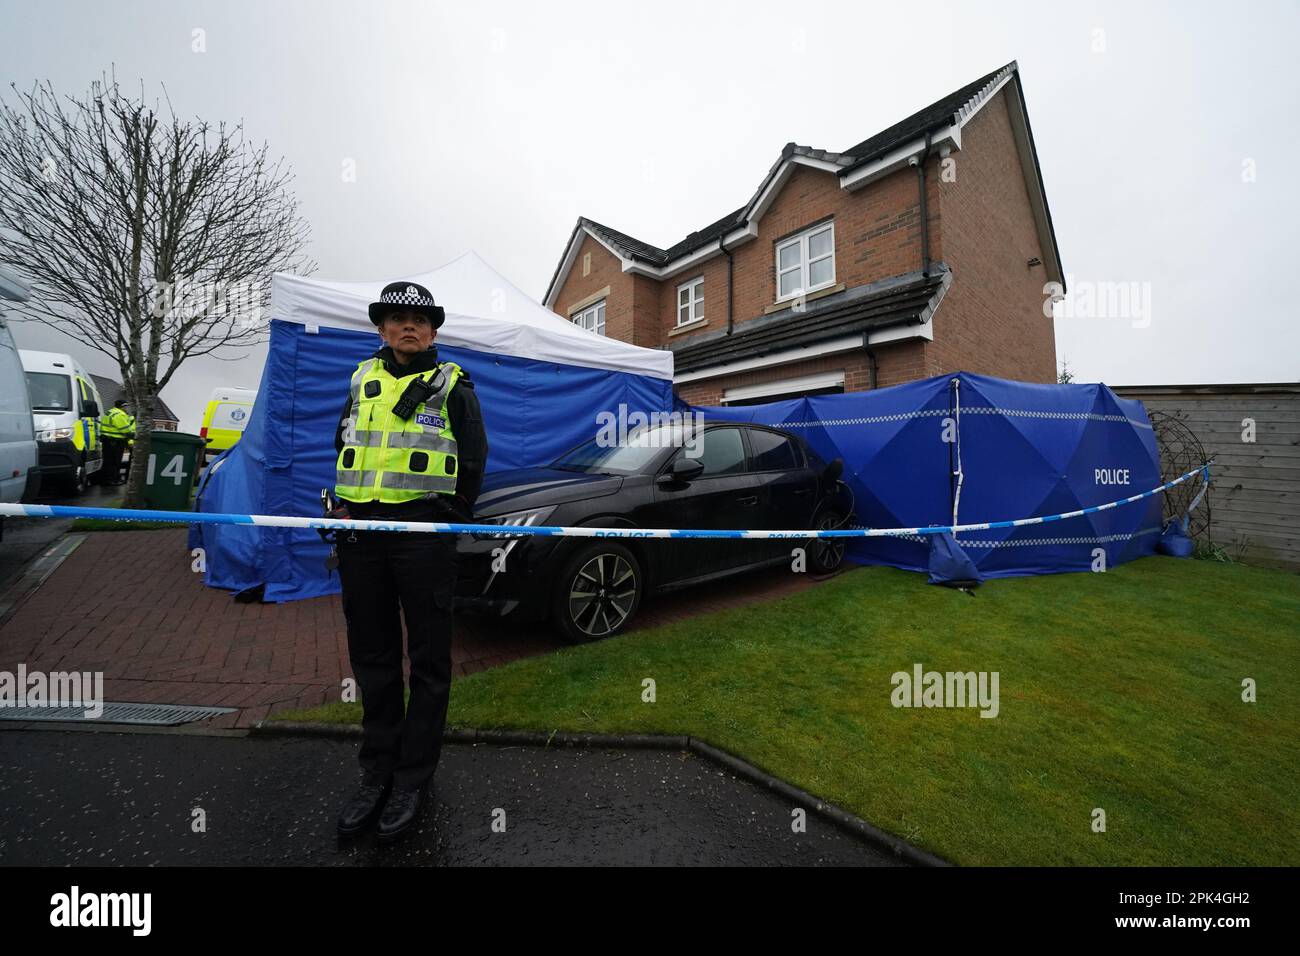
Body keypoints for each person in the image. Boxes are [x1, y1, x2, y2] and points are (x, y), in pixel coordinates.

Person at [331, 280, 488, 842]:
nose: (408, 326)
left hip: (422, 538)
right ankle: (377, 773)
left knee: (427, 662)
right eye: (397, 318)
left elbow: (472, 459)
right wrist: (345, 507)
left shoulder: (453, 386)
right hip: (364, 537)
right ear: (381, 328)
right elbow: (343, 443)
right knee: (373, 659)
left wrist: (451, 519)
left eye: (420, 320)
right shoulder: (361, 379)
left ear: (434, 331)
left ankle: (412, 778)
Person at [96, 399, 134, 486]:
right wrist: (134, 435)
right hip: (115, 442)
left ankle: (105, 480)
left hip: (107, 440)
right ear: (122, 406)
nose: (127, 408)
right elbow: (125, 430)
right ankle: (112, 480)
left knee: (107, 461)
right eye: (126, 406)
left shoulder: (110, 412)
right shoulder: (120, 415)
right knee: (114, 462)